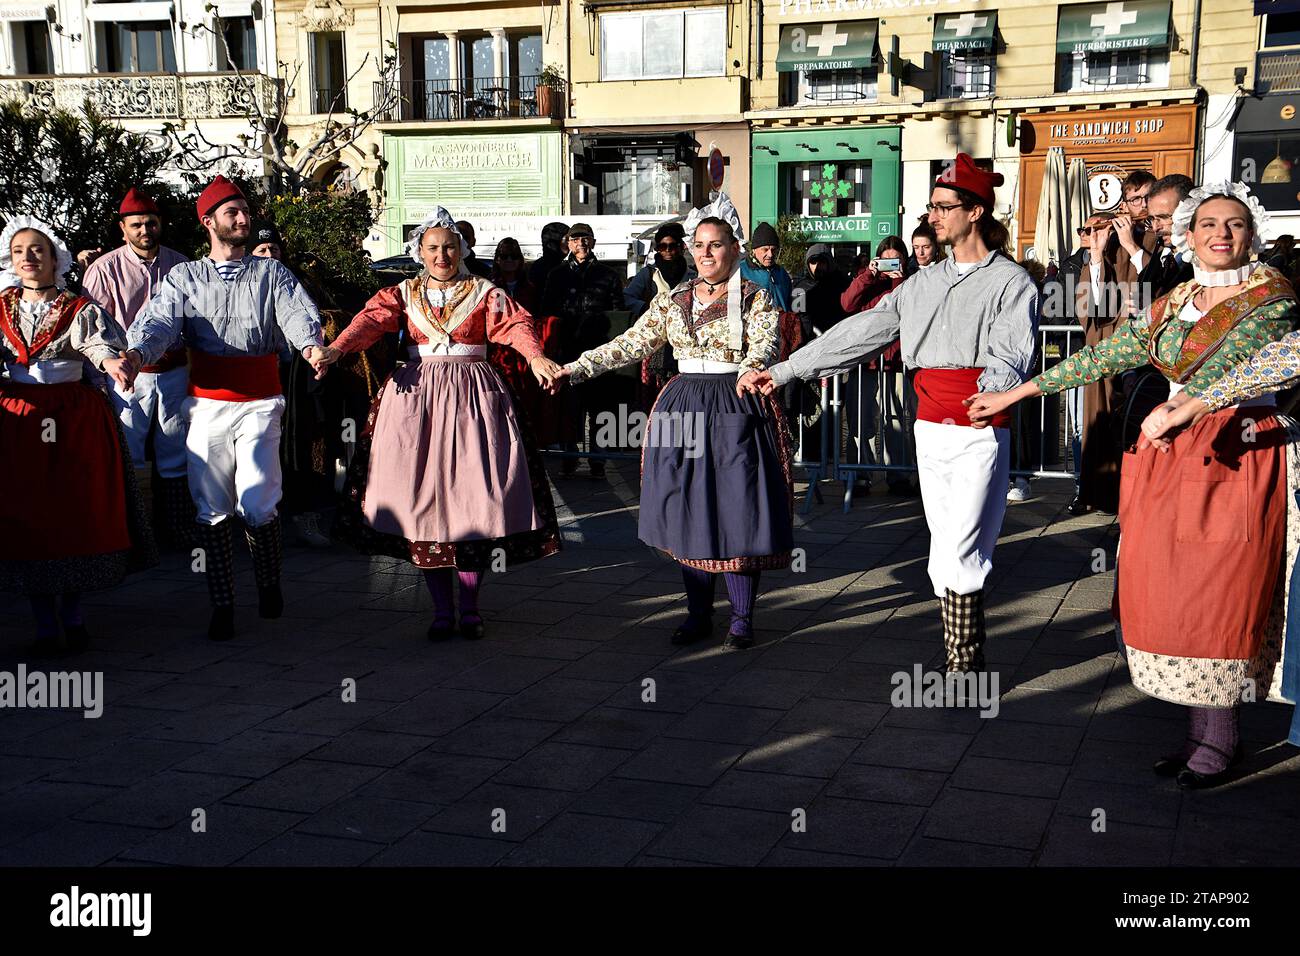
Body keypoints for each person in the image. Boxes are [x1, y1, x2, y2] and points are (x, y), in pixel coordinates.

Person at [966, 182, 1297, 789]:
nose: (1222, 233)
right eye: (1209, 224)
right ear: (1189, 234)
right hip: (1173, 453)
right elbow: (1105, 355)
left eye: (1236, 224)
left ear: (1251, 235)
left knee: (1220, 590)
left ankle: (1220, 737)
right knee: (1175, 588)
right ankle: (1203, 731)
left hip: (1239, 453)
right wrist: (1014, 393)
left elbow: (1248, 362)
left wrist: (1185, 407)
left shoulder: (1271, 297)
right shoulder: (1177, 301)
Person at [747, 154, 1039, 673]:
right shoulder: (919, 285)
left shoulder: (1010, 281)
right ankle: (960, 654)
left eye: (943, 207)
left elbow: (1011, 352)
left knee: (966, 541)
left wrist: (992, 393)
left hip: (980, 425)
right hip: (928, 424)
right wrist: (789, 369)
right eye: (931, 207)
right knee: (945, 539)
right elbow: (861, 331)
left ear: (974, 212)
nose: (932, 217)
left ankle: (963, 661)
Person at [311, 208, 564, 641]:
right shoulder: (403, 294)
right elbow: (370, 322)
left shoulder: (485, 292)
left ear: (461, 249)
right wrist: (336, 349)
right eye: (433, 248)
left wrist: (535, 355)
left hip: (474, 401)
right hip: (417, 405)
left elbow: (517, 325)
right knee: (422, 502)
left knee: (474, 499)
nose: (442, 255)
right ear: (420, 252)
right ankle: (441, 610)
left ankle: (470, 607)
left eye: (449, 246)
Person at [556, 197, 791, 650]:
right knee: (688, 508)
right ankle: (698, 613)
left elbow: (765, 346)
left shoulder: (758, 298)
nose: (706, 253)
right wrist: (577, 367)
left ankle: (742, 617)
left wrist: (751, 369)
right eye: (699, 245)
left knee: (736, 509)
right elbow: (631, 342)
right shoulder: (674, 300)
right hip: (682, 402)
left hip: (734, 403)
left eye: (716, 245)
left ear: (735, 250)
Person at [125, 175, 326, 642]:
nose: (243, 218)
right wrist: (137, 354)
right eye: (232, 212)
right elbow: (158, 321)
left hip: (260, 401)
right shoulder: (185, 276)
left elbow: (297, 313)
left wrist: (310, 345)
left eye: (245, 211)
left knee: (257, 499)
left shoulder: (271, 274)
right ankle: (222, 603)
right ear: (208, 221)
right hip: (207, 404)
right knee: (212, 507)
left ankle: (268, 580)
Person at [0, 216, 155, 654]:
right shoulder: (1, 305)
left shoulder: (78, 306)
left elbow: (98, 345)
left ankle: (73, 612)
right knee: (25, 514)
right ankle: (43, 620)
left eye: (37, 250)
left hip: (71, 418)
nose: (28, 258)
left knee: (71, 512)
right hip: (18, 419)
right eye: (18, 252)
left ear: (55, 258)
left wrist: (112, 363)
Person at [80, 188, 193, 546]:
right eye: (137, 224)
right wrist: (99, 378)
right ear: (123, 228)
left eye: (151, 222)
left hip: (175, 370)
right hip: (126, 376)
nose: (146, 229)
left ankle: (176, 528)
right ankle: (131, 533)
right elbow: (90, 328)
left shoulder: (181, 265)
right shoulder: (104, 270)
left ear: (161, 224)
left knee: (176, 448)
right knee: (128, 449)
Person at [245, 219, 334, 549]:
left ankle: (302, 518)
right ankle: (260, 525)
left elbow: (319, 321)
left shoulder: (297, 283)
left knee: (296, 451)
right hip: (253, 382)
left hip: (294, 382)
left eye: (274, 248)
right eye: (262, 249)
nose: (269, 254)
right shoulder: (240, 284)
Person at [542, 222, 625, 478]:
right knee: (569, 407)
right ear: (568, 243)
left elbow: (617, 312)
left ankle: (598, 460)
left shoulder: (609, 274)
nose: (581, 244)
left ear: (593, 242)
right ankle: (569, 457)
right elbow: (548, 311)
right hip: (567, 349)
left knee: (600, 406)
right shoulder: (556, 275)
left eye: (585, 238)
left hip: (598, 349)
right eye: (576, 239)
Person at [841, 235, 916, 495]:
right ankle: (860, 475)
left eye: (895, 260)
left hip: (895, 363)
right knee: (861, 421)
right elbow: (847, 303)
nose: (889, 265)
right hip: (865, 363)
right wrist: (868, 276)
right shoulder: (866, 279)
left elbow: (906, 307)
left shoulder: (909, 282)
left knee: (895, 421)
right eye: (885, 260)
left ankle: (899, 475)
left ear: (904, 260)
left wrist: (898, 278)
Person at [626, 221, 695, 407]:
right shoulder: (648, 274)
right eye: (662, 247)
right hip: (655, 341)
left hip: (683, 342)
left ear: (681, 247)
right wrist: (646, 309)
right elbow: (628, 296)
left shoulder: (692, 276)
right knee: (652, 392)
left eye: (672, 246)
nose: (667, 251)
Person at [740, 221, 793, 312]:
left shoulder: (782, 273)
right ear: (754, 250)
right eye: (765, 250)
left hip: (782, 324)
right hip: (754, 325)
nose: (770, 254)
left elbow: (790, 303)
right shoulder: (741, 271)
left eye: (773, 250)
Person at [527, 221, 569, 291]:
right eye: (566, 240)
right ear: (556, 241)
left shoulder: (559, 264)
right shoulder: (541, 268)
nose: (569, 243)